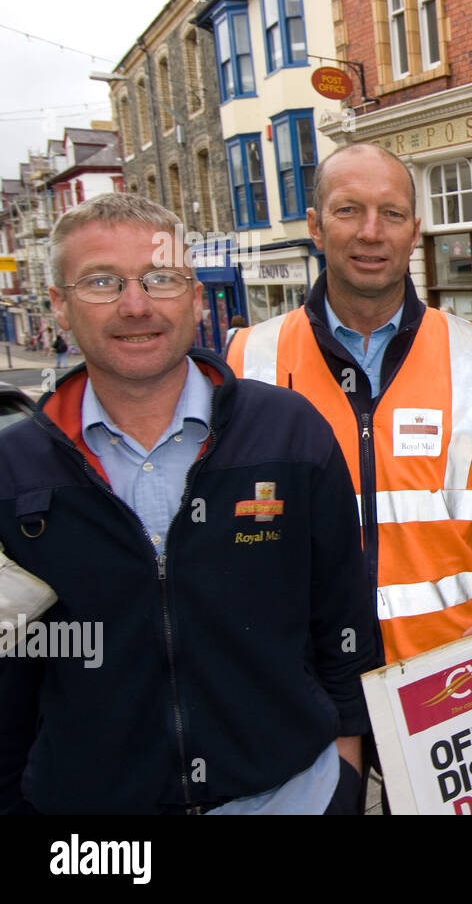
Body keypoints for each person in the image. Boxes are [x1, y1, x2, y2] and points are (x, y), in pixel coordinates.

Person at [0, 193, 376, 814]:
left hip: (290, 799)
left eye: (161, 279)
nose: (136, 304)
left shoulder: (288, 431)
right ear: (61, 308)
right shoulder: (15, 472)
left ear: (196, 297)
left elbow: (342, 617)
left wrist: (345, 772)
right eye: (101, 281)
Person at [227, 143, 472, 663]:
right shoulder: (245, 361)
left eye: (392, 214)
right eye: (348, 209)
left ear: (414, 230)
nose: (371, 232)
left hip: (453, 666)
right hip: (306, 676)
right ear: (315, 226)